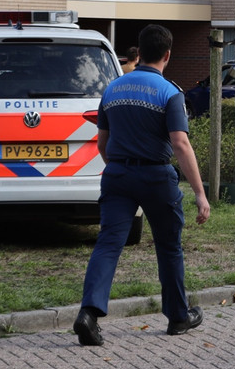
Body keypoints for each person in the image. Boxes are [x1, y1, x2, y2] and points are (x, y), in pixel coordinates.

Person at [75, 24, 210, 346]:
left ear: (139, 51)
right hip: (156, 177)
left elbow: (102, 144)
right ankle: (178, 317)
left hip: (117, 174)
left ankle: (88, 314)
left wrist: (120, 169)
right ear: (167, 54)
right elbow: (180, 143)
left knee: (109, 244)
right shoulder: (169, 92)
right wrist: (200, 193)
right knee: (168, 246)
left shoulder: (113, 89)